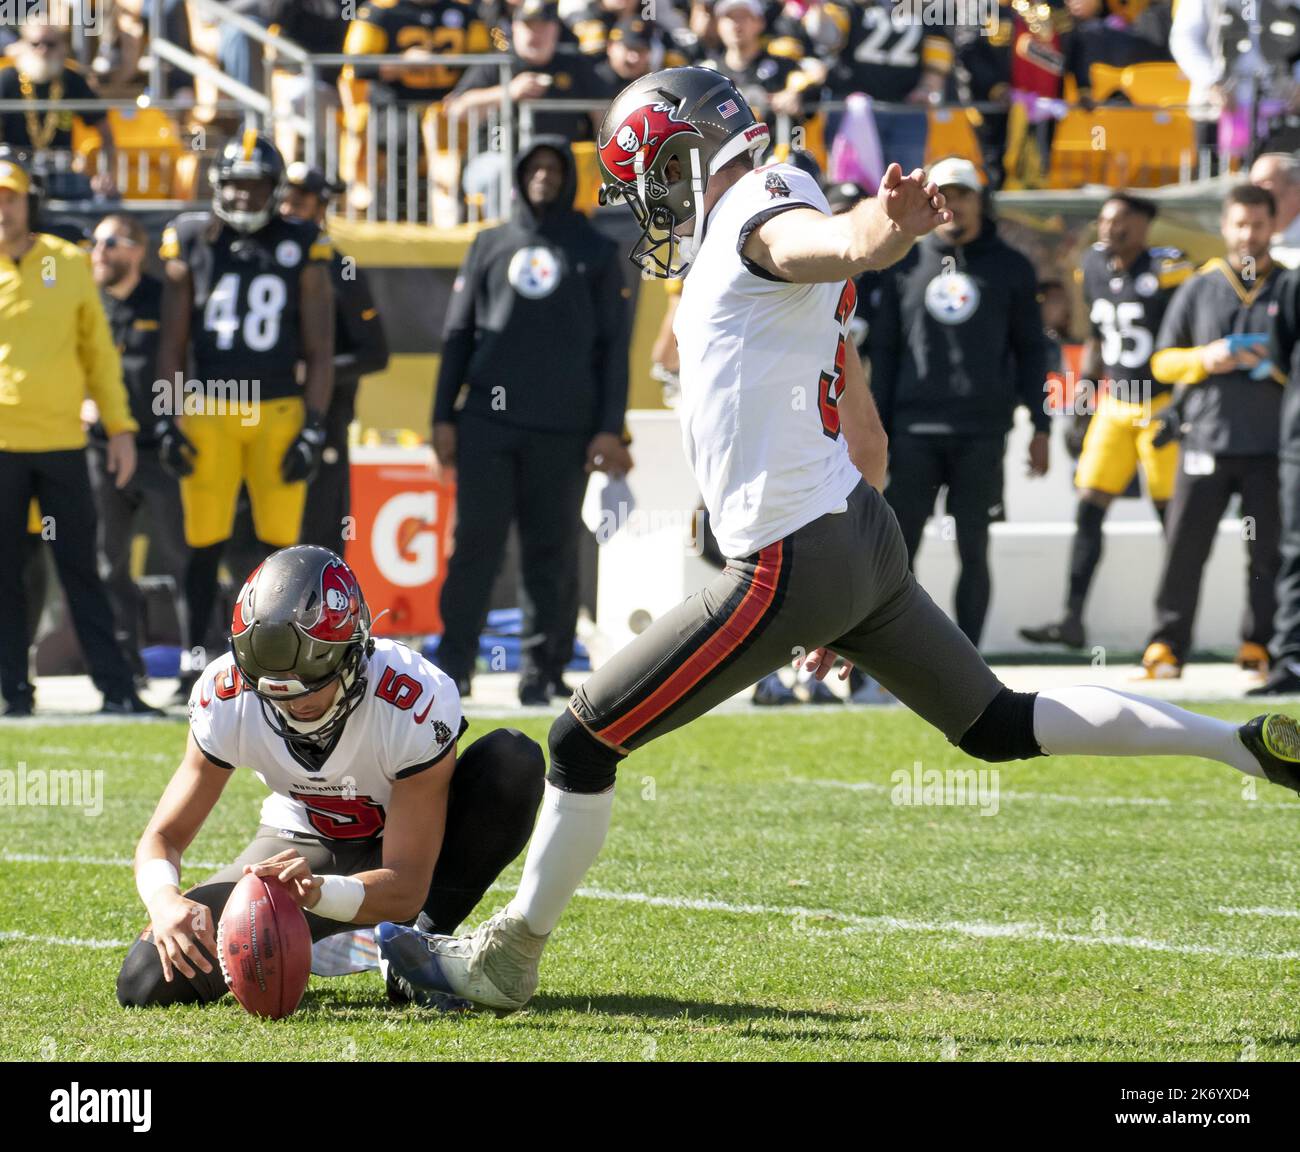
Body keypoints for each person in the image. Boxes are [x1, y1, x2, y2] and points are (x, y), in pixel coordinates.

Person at [377, 67, 1300, 1013]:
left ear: (695, 154)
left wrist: (885, 229)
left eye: (656, 174)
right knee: (998, 722)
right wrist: (839, 588)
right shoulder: (781, 201)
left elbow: (831, 243)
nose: (653, 201)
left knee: (579, 741)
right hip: (855, 533)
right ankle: (1238, 746)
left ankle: (506, 961)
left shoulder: (760, 215)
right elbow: (868, 436)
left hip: (789, 553)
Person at [115, 545, 544, 1009]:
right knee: (146, 981)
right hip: (302, 839)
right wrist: (164, 902)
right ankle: (341, 943)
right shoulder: (228, 694)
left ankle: (419, 949)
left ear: (353, 656)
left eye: (312, 690)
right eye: (275, 695)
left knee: (511, 762)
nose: (294, 708)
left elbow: (404, 886)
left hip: (409, 845)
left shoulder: (411, 696)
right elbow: (163, 836)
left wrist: (319, 893)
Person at [431, 136, 631, 705]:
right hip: (486, 429)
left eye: (553, 169)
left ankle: (542, 670)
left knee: (554, 551)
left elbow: (613, 349)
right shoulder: (489, 244)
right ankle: (455, 664)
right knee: (475, 545)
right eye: (534, 169)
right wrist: (441, 417)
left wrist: (607, 427)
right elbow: (457, 336)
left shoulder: (594, 249)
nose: (543, 177)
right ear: (519, 177)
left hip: (563, 429)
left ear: (569, 178)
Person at [154, 132, 335, 701]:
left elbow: (320, 347)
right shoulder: (190, 237)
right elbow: (172, 342)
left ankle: (274, 658)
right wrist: (165, 414)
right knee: (203, 540)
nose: (241, 194)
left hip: (278, 407)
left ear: (275, 189)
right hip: (208, 406)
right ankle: (194, 658)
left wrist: (313, 425)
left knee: (278, 547)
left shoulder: (303, 241)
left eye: (254, 183)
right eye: (233, 182)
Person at [870, 155, 1049, 648]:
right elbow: (884, 352)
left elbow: (1033, 350)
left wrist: (1042, 425)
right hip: (912, 434)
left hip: (982, 433)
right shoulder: (902, 262)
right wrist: (878, 430)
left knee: (976, 548)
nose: (955, 206)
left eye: (965, 194)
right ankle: (896, 657)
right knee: (899, 553)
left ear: (980, 201)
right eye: (944, 195)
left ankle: (968, 664)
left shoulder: (1012, 268)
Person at [0, 149, 155, 717]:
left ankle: (116, 688)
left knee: (82, 568)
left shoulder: (64, 262)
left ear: (28, 201)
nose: (2, 208)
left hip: (63, 442)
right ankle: (13, 690)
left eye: (10, 196)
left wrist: (120, 427)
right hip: (2, 445)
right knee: (5, 574)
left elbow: (98, 355)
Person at [1021, 193, 1192, 650]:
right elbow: (1099, 334)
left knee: (1171, 518)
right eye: (1102, 218)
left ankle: (1174, 630)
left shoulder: (1170, 268)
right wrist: (1085, 384)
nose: (1105, 227)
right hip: (1116, 402)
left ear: (1141, 225)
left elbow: (1194, 329)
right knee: (1089, 506)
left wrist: (1186, 402)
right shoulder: (1094, 266)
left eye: (1116, 220)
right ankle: (1071, 619)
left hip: (1159, 403)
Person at [1137, 185, 1286, 680]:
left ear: (1273, 226)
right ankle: (1167, 645)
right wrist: (1206, 357)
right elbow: (1161, 361)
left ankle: (1258, 646)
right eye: (1240, 224)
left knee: (1266, 553)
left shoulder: (1290, 287)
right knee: (1184, 548)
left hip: (1272, 447)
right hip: (1203, 442)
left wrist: (1276, 366)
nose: (1249, 234)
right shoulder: (1200, 286)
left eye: (1258, 224)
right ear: (1224, 226)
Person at [85, 212, 187, 685]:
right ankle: (125, 668)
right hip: (101, 448)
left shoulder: (165, 299)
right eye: (95, 242)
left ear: (137, 250)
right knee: (110, 562)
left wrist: (179, 420)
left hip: (159, 449)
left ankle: (199, 666)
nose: (99, 251)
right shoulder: (86, 302)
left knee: (183, 558)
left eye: (111, 242)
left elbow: (189, 361)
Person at [281, 163, 390, 554]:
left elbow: (375, 353)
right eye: (284, 197)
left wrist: (315, 375)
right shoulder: (265, 259)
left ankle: (326, 615)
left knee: (321, 538)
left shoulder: (340, 269)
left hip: (324, 421)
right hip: (261, 420)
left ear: (321, 206)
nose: (288, 207)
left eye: (300, 199)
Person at [0, 21, 118, 198]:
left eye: (50, 44)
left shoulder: (71, 80)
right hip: (15, 170)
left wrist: (105, 175)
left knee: (107, 198)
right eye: (35, 44)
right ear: (23, 45)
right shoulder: (7, 79)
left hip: (61, 172)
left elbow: (106, 133)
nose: (43, 50)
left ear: (62, 47)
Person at [1250, 152, 1300, 269]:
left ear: (1296, 190)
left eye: (1264, 184)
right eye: (1252, 185)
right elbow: (1247, 280)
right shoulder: (1249, 238)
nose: (1254, 192)